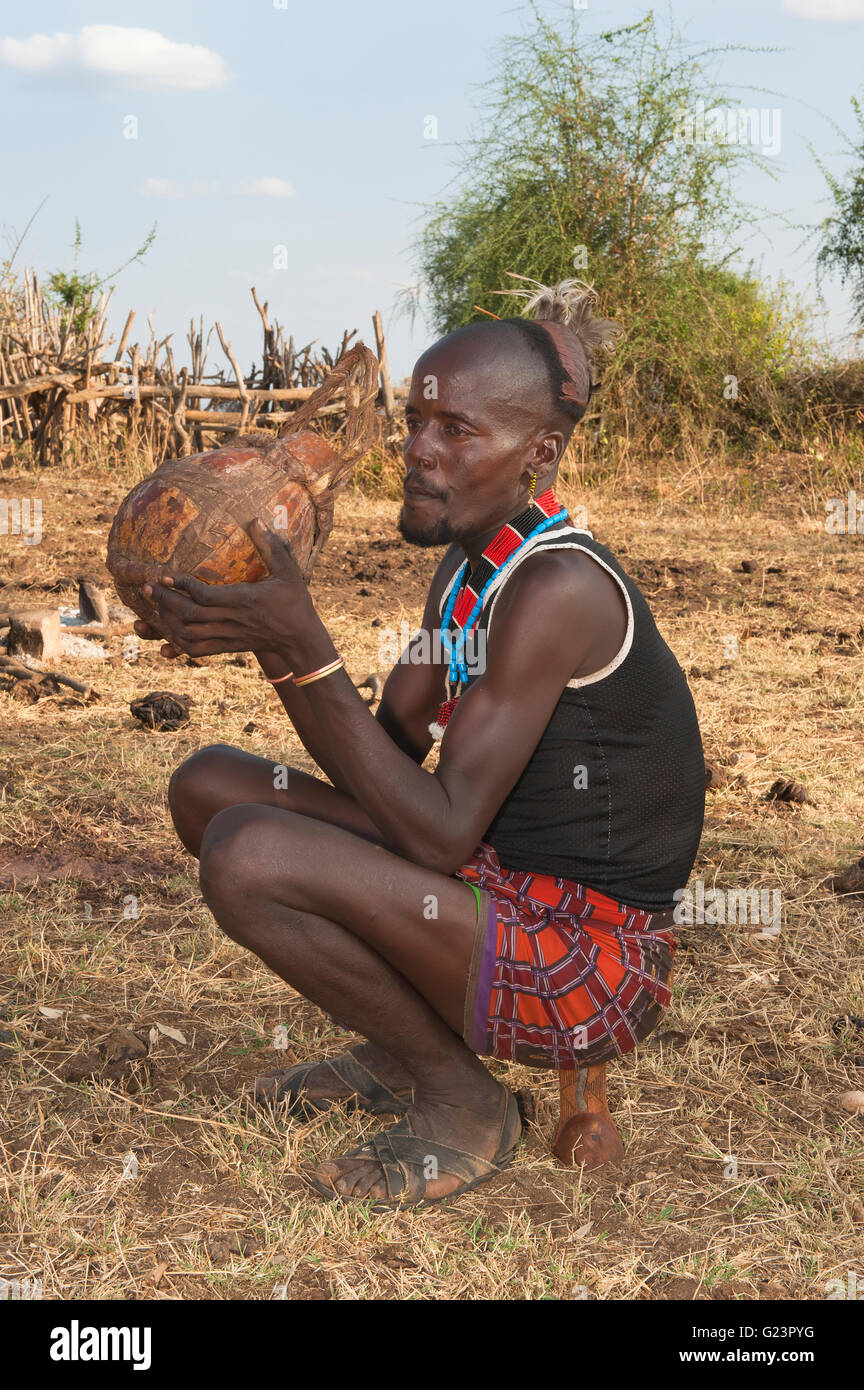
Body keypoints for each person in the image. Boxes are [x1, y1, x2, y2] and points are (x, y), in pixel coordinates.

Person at [118, 279, 705, 1210]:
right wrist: (261, 639)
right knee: (208, 787)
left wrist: (299, 645)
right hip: (490, 878)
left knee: (247, 856)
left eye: (457, 432)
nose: (419, 452)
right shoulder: (470, 570)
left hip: (586, 955)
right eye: (416, 423)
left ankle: (465, 1101)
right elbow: (385, 749)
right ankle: (398, 1054)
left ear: (538, 454)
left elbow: (431, 835)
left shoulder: (558, 589)